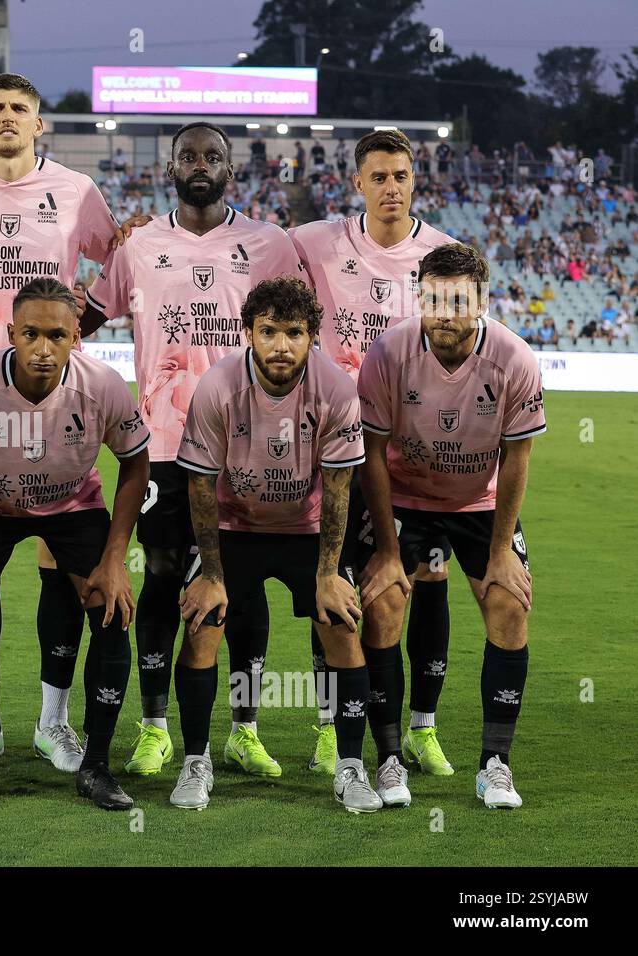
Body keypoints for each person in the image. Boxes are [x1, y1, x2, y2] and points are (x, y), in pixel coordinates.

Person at [80, 122, 303, 779]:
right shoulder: (140, 245)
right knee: (163, 579)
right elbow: (84, 321)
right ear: (170, 165)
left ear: (231, 169)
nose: (200, 164)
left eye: (213, 156)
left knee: (245, 588)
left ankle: (243, 729)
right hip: (165, 449)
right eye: (188, 155)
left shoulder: (271, 244)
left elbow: (299, 338)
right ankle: (154, 729)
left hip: (250, 450)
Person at [0, 72, 134, 770]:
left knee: (58, 564)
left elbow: (121, 261)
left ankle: (52, 722)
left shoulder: (77, 191)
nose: (8, 117)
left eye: (20, 108)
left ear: (39, 124)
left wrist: (82, 329)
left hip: (55, 394)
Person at [0, 277, 150, 809]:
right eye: (31, 334)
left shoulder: (103, 385)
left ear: (77, 336)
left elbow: (136, 462)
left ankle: (95, 766)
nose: (44, 349)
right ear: (11, 334)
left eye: (57, 335)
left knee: (112, 609)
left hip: (73, 506)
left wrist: (116, 559)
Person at [289, 129, 459, 777]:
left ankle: (422, 728)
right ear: (356, 183)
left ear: (415, 181)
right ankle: (333, 728)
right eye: (379, 177)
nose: (392, 187)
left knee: (428, 578)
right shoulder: (313, 242)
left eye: (402, 176)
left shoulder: (446, 254)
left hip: (420, 454)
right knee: (332, 581)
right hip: (336, 448)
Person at [356, 243, 545, 809]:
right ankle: (389, 759)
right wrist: (388, 548)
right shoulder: (388, 353)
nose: (444, 312)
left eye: (458, 300)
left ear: (482, 301)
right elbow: (371, 453)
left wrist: (502, 550)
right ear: (422, 298)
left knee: (510, 604)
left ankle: (495, 766)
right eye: (434, 299)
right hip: (404, 499)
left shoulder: (514, 358)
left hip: (477, 504)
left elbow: (517, 458)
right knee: (385, 599)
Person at [177, 277, 370, 810]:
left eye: (294, 332)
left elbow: (337, 489)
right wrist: (211, 574)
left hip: (306, 530)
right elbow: (198, 484)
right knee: (200, 626)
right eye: (268, 332)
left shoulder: (335, 389)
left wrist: (329, 574)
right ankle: (196, 763)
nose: (281, 345)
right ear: (247, 333)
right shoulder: (217, 387)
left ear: (313, 336)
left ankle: (351, 768)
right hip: (235, 528)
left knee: (344, 626)